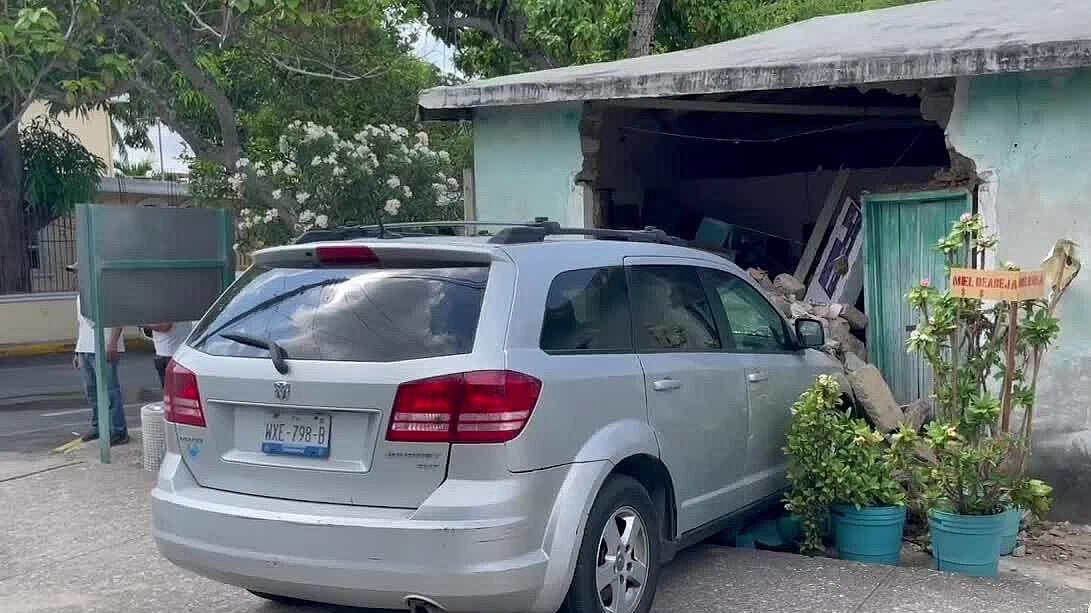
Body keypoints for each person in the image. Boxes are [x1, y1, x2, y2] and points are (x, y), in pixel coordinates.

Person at [68, 262, 129, 445]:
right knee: (92, 392)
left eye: (78, 272)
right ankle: (98, 426)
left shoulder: (107, 291)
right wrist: (77, 350)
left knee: (110, 391)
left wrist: (113, 343)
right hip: (85, 348)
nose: (76, 276)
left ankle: (118, 430)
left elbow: (119, 317)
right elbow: (82, 325)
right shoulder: (81, 296)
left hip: (103, 347)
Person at [145, 321, 194, 387]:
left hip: (169, 353)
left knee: (173, 389)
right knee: (181, 389)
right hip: (179, 352)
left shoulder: (168, 311)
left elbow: (165, 327)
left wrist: (141, 323)